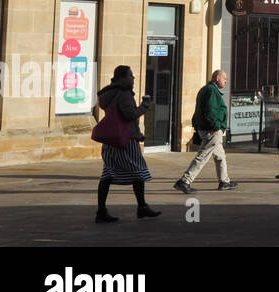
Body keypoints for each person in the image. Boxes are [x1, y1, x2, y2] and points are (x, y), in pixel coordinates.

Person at [94, 65, 160, 222]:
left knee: (108, 174)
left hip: (111, 140)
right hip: (125, 141)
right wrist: (145, 106)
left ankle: (102, 211)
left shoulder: (110, 93)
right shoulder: (123, 93)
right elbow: (129, 115)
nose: (133, 78)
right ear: (122, 77)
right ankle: (142, 207)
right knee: (138, 171)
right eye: (131, 76)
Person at [174, 70, 238, 194]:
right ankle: (185, 181)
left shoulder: (206, 89)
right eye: (224, 78)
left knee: (220, 156)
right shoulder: (212, 91)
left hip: (208, 129)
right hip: (211, 130)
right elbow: (211, 112)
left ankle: (224, 181)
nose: (226, 80)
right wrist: (216, 127)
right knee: (202, 156)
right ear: (217, 78)